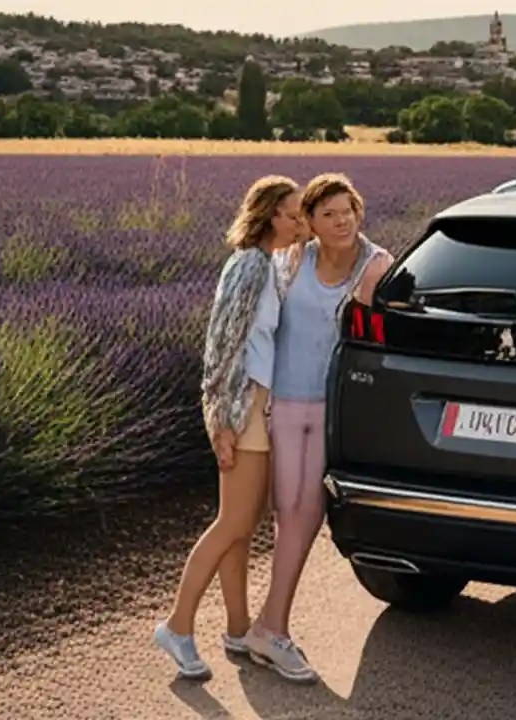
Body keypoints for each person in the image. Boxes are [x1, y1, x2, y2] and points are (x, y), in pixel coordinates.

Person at [154, 175, 307, 681]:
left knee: (244, 522)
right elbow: (219, 347)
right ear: (268, 215)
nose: (298, 221)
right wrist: (218, 419)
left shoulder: (270, 266)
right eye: (292, 213)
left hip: (257, 406)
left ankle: (239, 626)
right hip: (240, 408)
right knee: (234, 523)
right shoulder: (248, 266)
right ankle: (177, 626)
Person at [242, 173, 393, 683]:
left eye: (348, 208)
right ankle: (263, 627)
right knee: (288, 512)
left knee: (305, 513)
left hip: (330, 408)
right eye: (328, 213)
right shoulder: (294, 260)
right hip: (283, 403)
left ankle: (270, 627)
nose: (342, 220)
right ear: (309, 223)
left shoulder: (375, 265)